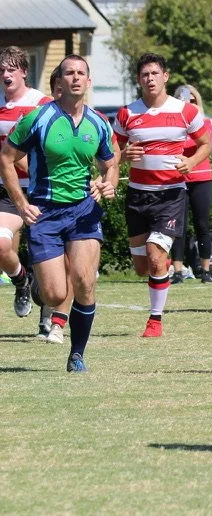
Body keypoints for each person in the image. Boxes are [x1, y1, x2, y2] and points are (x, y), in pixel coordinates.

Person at [0, 55, 117, 372]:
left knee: (84, 282)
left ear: (88, 81)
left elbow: (110, 162)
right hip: (45, 213)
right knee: (54, 295)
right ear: (60, 82)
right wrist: (21, 203)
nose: (76, 78)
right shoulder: (38, 119)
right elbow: (7, 158)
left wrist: (109, 184)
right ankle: (36, 283)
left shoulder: (98, 123)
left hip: (83, 211)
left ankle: (77, 354)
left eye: (81, 73)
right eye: (69, 73)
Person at [113, 54, 211, 338]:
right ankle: (162, 267)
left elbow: (206, 144)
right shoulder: (127, 113)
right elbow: (109, 153)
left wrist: (190, 164)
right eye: (145, 74)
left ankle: (155, 321)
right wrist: (123, 156)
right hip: (137, 196)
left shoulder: (185, 111)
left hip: (170, 196)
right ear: (139, 79)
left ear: (165, 76)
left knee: (155, 258)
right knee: (142, 267)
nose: (150, 79)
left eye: (155, 73)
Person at [0, 46, 51, 320]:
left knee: (45, 253)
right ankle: (21, 282)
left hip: (40, 188)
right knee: (0, 244)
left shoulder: (41, 103)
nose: (6, 75)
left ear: (24, 72)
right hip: (8, 190)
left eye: (11, 69)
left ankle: (47, 314)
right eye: (2, 70)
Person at [168, 84, 212, 284]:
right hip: (178, 179)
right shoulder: (172, 124)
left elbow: (201, 145)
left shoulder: (205, 122)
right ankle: (178, 270)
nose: (189, 103)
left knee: (202, 224)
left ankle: (205, 269)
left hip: (201, 179)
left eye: (193, 100)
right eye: (184, 100)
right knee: (178, 226)